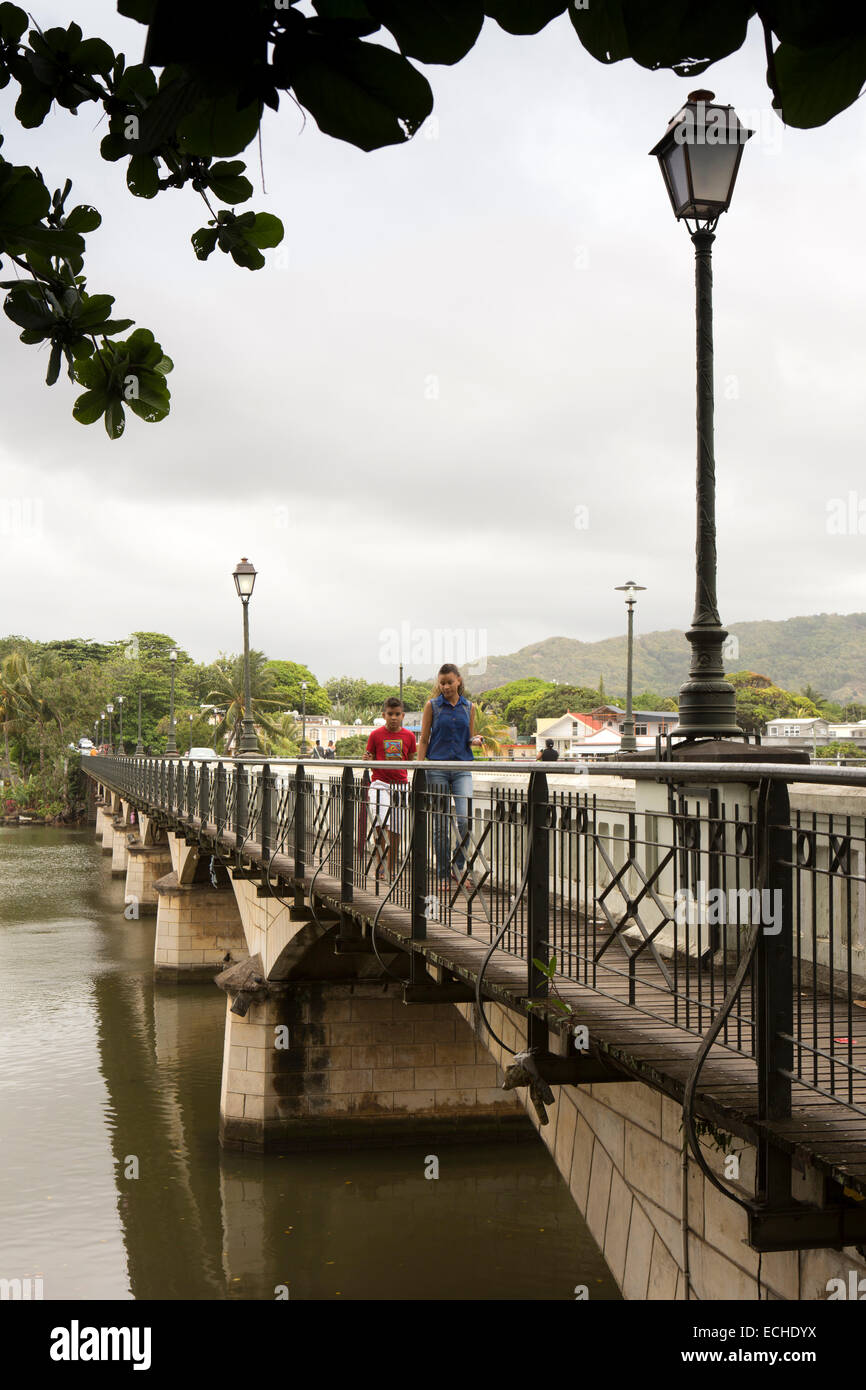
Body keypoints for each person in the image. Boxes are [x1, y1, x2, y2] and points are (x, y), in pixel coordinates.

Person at [416, 664, 482, 885]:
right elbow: (424, 739)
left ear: (459, 681)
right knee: (441, 825)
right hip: (437, 769)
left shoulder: (468, 707)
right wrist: (419, 768)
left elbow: (469, 737)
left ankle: (458, 866)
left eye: (449, 682)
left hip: (463, 769)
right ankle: (443, 874)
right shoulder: (432, 706)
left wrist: (475, 740)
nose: (445, 687)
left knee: (465, 821)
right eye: (441, 683)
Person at [364, 698, 415, 877]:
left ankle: (391, 867)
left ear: (402, 715)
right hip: (379, 784)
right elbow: (369, 758)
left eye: (397, 714)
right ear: (384, 715)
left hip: (400, 786)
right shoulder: (375, 735)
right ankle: (380, 863)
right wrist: (369, 761)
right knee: (380, 825)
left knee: (396, 829)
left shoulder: (409, 736)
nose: (393, 718)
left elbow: (410, 759)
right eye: (390, 714)